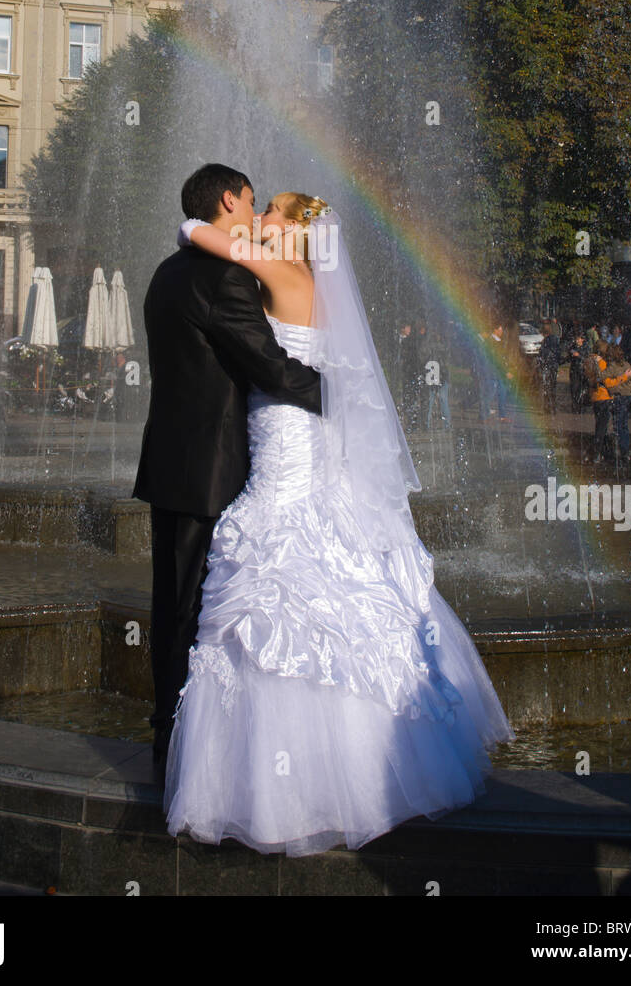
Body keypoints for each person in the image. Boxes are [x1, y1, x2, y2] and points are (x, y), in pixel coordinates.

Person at [161, 184, 513, 855]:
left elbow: (195, 232)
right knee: (316, 552)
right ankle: (351, 772)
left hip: (286, 436)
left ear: (294, 230)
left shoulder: (279, 269)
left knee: (276, 556)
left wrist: (215, 228)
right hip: (309, 434)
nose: (256, 219)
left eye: (268, 213)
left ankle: (285, 796)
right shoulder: (310, 284)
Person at [133, 166, 324, 778]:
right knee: (198, 610)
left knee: (172, 604)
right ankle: (190, 751)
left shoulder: (168, 270)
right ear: (228, 200)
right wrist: (341, 395)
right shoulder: (225, 275)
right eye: (249, 200)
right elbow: (267, 365)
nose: (254, 210)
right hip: (212, 471)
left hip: (168, 463)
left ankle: (169, 734)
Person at [603, 344, 631, 465]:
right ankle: (625, 452)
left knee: (617, 425)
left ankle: (618, 453)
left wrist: (618, 380)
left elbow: (601, 377)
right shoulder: (627, 364)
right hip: (628, 397)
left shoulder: (611, 366)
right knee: (624, 425)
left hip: (618, 397)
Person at [583, 340, 611, 461]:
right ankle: (597, 452)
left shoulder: (588, 360)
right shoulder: (602, 363)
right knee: (602, 426)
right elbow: (607, 381)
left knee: (599, 424)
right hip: (604, 396)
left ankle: (600, 451)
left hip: (593, 396)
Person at [536, 319, 561, 415]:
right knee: (551, 388)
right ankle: (552, 408)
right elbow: (556, 353)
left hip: (548, 366)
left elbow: (545, 354)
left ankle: (548, 408)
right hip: (552, 366)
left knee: (547, 388)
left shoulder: (548, 340)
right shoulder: (554, 339)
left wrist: (541, 361)